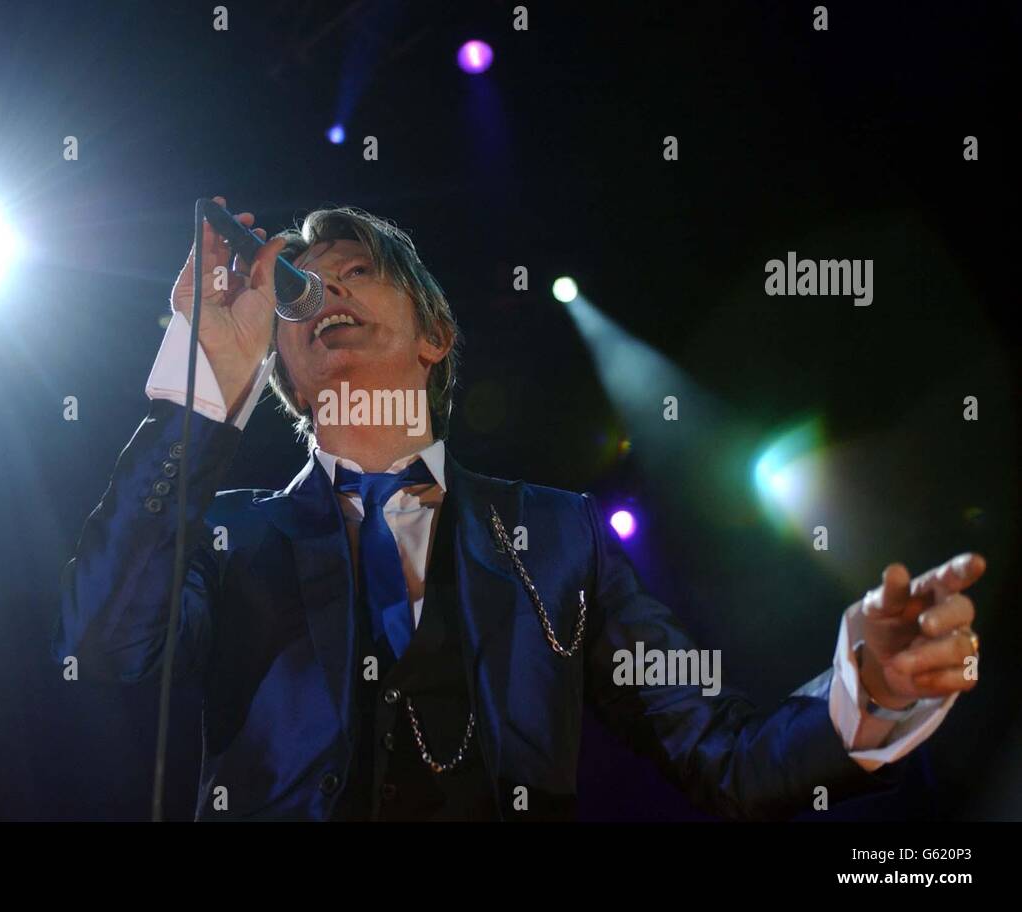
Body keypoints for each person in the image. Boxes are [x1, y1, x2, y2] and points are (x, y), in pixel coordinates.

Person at [52, 196, 985, 821]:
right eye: (301, 291)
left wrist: (865, 694)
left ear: (436, 336)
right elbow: (103, 642)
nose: (325, 291)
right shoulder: (227, 535)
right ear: (281, 370)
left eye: (356, 271)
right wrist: (204, 383)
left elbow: (723, 751)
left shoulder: (558, 535)